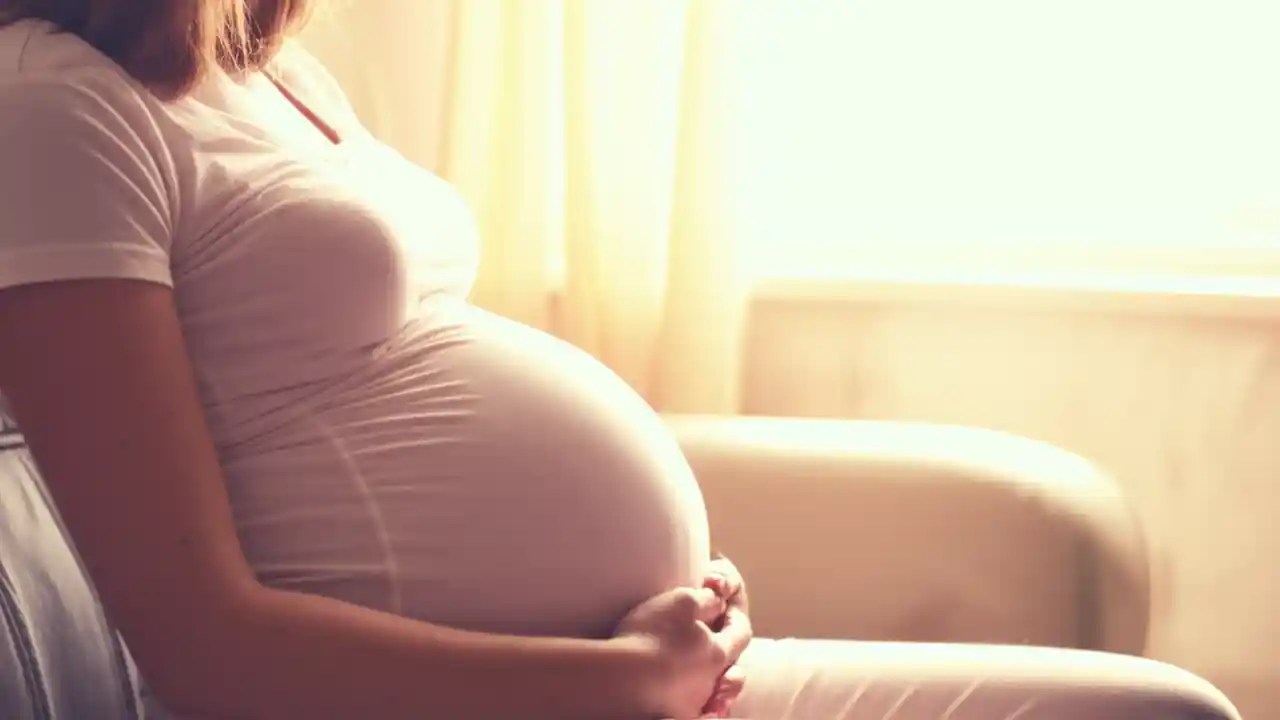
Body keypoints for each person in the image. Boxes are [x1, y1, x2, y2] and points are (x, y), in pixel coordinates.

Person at [0, 2, 1241, 719]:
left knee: (1157, 712)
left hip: (622, 684)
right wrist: (608, 683)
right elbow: (200, 646)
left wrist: (655, 632)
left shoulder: (264, 67)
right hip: (530, 703)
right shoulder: (50, 105)